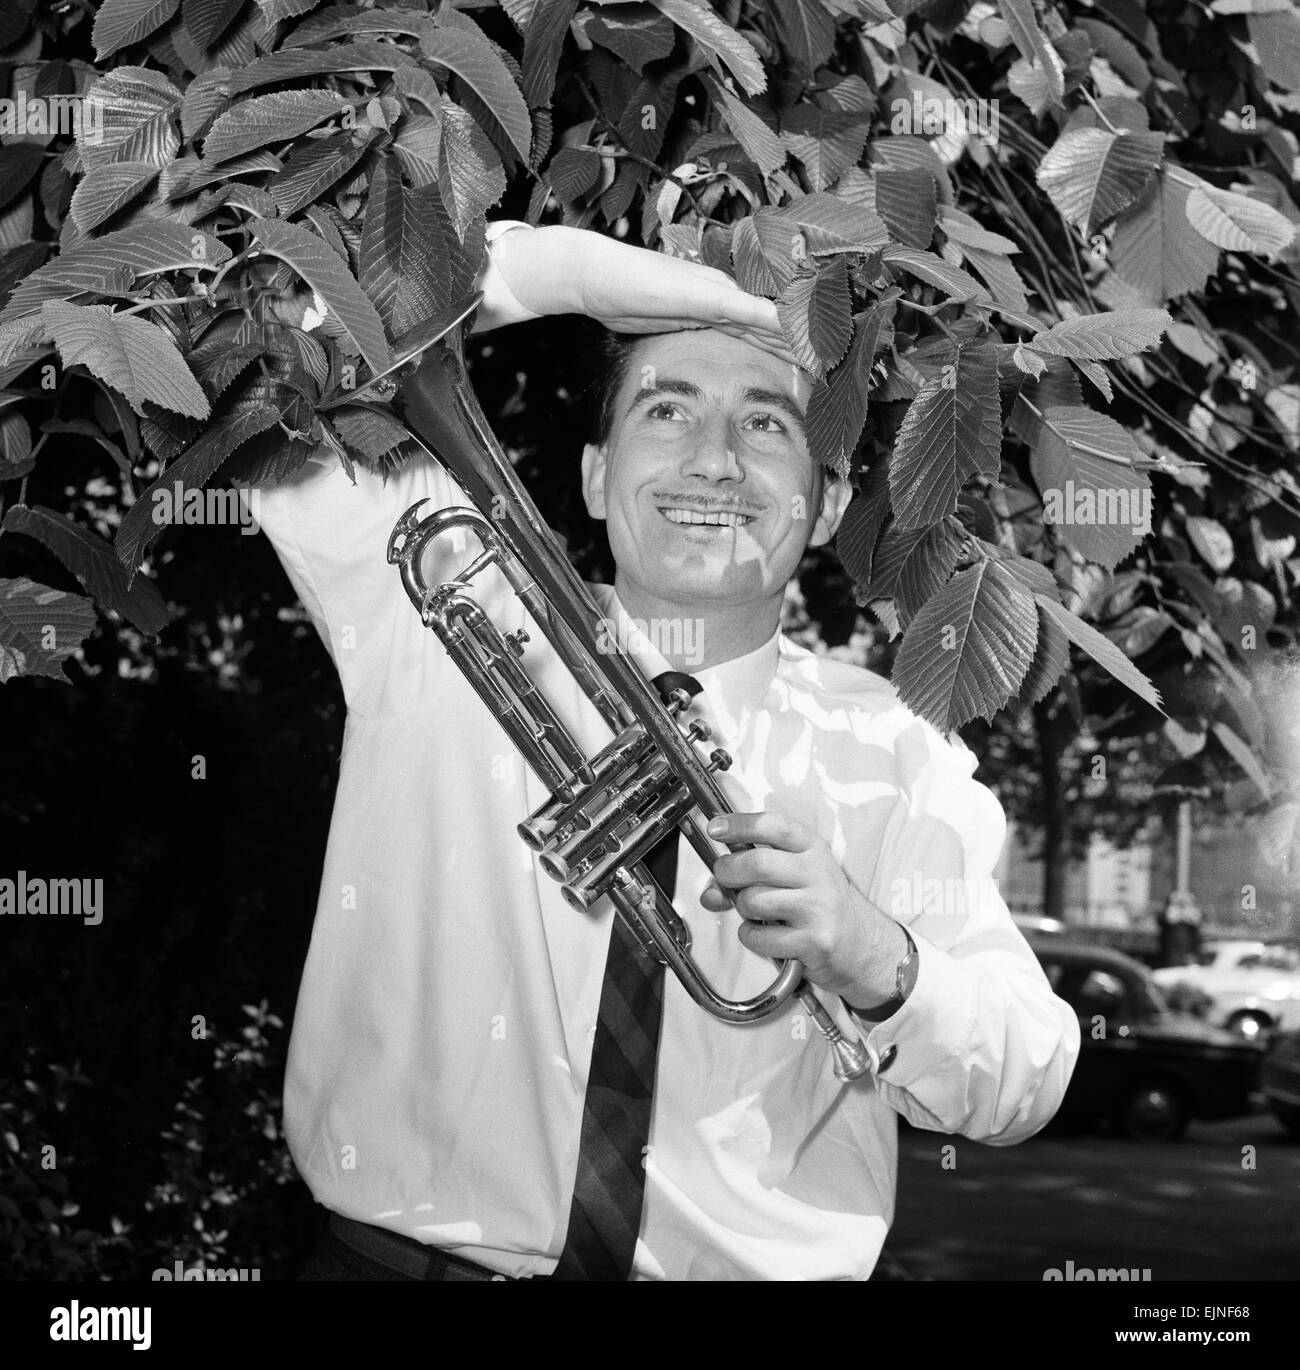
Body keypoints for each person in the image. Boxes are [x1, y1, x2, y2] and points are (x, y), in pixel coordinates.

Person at [250, 220, 1080, 1281]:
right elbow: (287, 322)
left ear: (826, 507)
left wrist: (872, 953)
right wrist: (576, 276)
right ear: (595, 476)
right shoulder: (442, 588)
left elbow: (1025, 1077)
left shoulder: (892, 750)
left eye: (767, 422)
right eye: (666, 407)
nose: (712, 459)